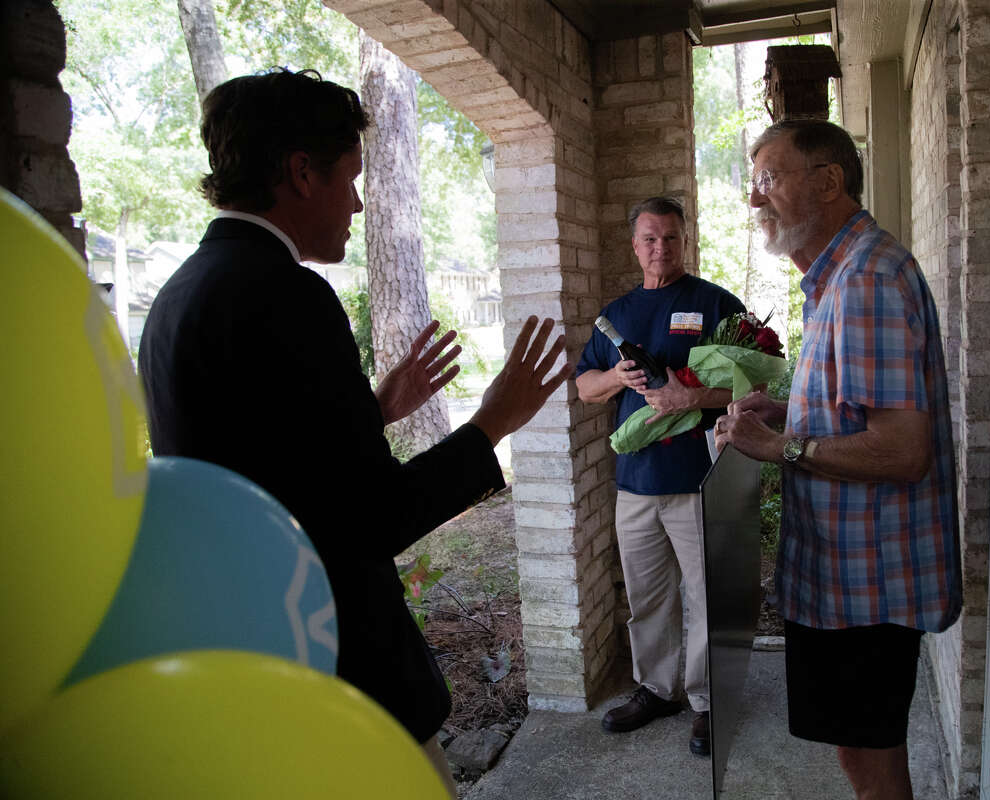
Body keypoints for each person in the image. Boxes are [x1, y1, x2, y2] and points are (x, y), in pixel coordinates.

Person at [137, 68, 570, 797]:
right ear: (300, 173)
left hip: (248, 656)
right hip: (337, 667)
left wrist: (374, 408)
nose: (359, 203)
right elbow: (372, 516)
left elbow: (269, 461)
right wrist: (493, 421)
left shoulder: (179, 297)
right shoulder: (288, 295)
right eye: (350, 178)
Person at [714, 120, 962, 800]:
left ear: (828, 182)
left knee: (871, 760)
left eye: (769, 178)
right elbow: (857, 414)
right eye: (753, 183)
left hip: (870, 587)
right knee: (858, 752)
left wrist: (781, 446)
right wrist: (787, 415)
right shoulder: (835, 280)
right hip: (849, 582)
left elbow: (903, 451)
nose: (755, 200)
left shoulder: (866, 282)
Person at [575, 196, 745, 757]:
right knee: (648, 597)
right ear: (634, 244)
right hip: (636, 484)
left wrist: (691, 396)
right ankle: (658, 688)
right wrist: (617, 380)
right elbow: (583, 387)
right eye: (649, 239)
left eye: (670, 238)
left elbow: (755, 385)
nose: (660, 248)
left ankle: (705, 700)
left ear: (683, 240)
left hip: (698, 477)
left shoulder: (714, 303)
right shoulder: (618, 313)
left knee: (703, 595)